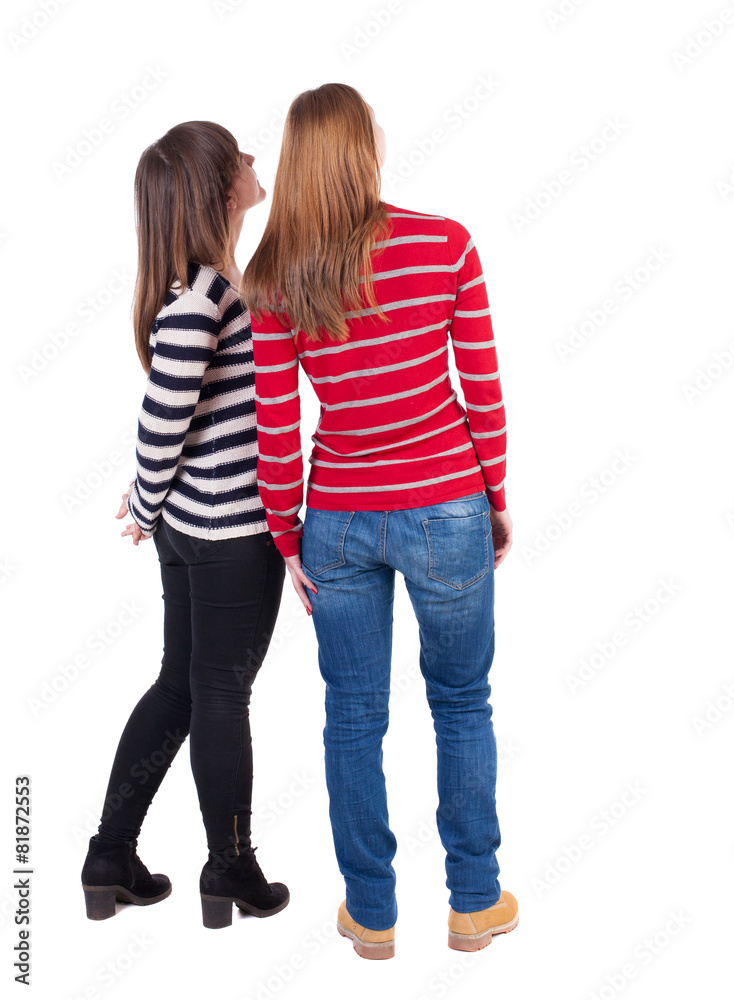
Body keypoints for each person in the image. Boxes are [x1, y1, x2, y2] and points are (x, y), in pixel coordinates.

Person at [242, 83, 518, 959]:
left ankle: (371, 913)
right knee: (461, 701)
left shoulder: (275, 274)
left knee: (354, 718)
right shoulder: (446, 244)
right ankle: (474, 902)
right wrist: (495, 496)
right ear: (366, 148)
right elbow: (482, 388)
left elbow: (277, 426)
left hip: (338, 518)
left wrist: (286, 537)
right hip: (447, 503)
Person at [81, 121, 289, 930]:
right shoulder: (203, 298)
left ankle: (110, 857)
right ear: (220, 189)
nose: (254, 160)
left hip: (192, 528)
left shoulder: (207, 288)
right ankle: (229, 866)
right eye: (240, 156)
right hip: (228, 533)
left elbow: (175, 419)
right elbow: (161, 419)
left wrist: (152, 502)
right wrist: (141, 502)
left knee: (183, 685)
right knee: (220, 694)